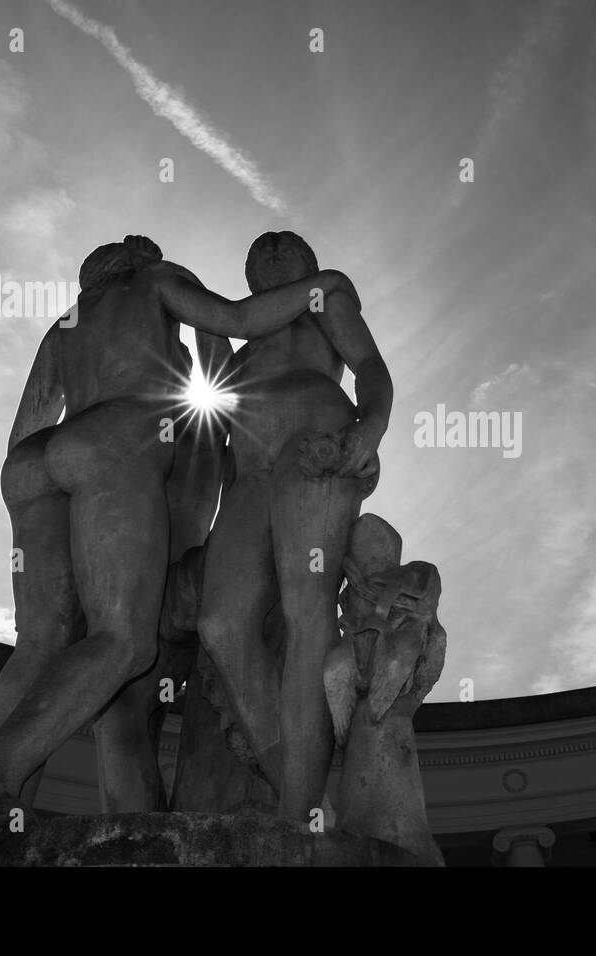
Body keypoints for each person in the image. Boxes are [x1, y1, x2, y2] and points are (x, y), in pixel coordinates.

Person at [0, 235, 361, 831]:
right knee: (122, 642)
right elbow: (236, 320)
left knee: (38, 645)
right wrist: (323, 284)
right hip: (113, 439)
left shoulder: (67, 322)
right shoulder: (156, 283)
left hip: (32, 465)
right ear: (142, 261)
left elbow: (27, 424)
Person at [197, 231, 392, 821]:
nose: (272, 253)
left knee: (308, 607)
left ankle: (297, 814)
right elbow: (207, 390)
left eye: (283, 250)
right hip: (250, 466)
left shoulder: (324, 300)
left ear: (307, 263)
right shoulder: (244, 337)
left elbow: (371, 368)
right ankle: (298, 789)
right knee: (220, 623)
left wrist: (368, 431)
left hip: (315, 439)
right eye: (260, 253)